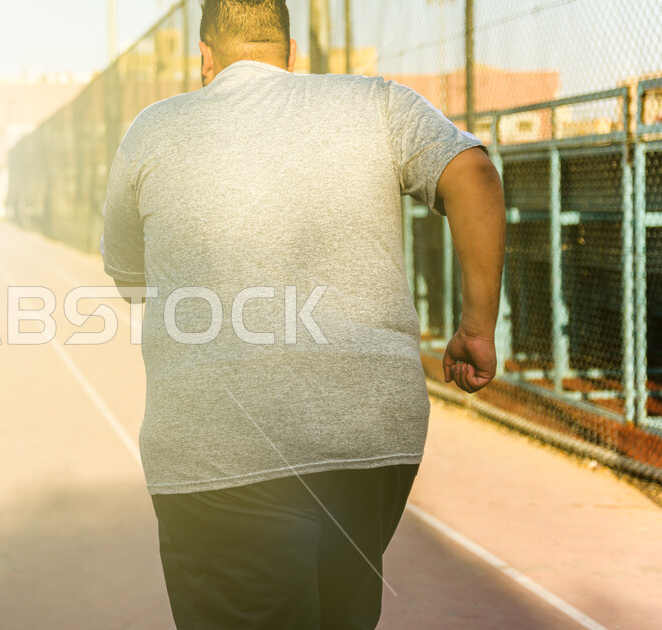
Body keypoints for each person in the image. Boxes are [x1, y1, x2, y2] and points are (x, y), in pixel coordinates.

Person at [99, 0, 506, 627]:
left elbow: (134, 286)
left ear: (204, 58)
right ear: (292, 56)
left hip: (220, 456)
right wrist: (477, 328)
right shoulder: (378, 102)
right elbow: (474, 171)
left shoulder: (152, 129)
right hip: (373, 438)